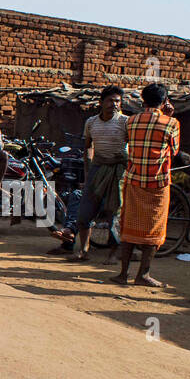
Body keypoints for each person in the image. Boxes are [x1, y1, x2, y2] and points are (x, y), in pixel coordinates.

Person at [111, 83, 179, 287]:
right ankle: (143, 274)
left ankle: (123, 274)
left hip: (133, 180)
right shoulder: (172, 123)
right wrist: (169, 115)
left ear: (143, 100)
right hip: (157, 183)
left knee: (129, 226)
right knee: (154, 230)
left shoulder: (131, 121)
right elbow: (174, 150)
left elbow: (126, 143)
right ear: (164, 100)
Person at [55, 86, 128, 261]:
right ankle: (84, 251)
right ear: (101, 102)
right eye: (110, 100)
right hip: (98, 167)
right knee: (84, 213)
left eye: (117, 101)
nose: (114, 104)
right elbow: (88, 146)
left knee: (114, 212)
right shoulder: (91, 123)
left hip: (118, 170)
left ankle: (113, 254)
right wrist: (89, 172)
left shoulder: (125, 122)